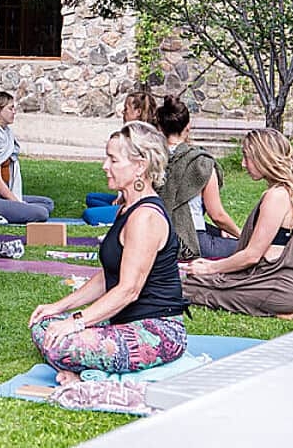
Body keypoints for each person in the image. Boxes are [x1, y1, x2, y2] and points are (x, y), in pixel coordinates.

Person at [29, 121, 187, 384]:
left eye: (113, 160)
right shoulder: (125, 208)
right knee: (43, 325)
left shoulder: (146, 217)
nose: (105, 166)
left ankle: (93, 374)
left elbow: (129, 289)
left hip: (157, 331)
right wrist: (58, 308)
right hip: (121, 322)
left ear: (140, 166)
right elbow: (107, 277)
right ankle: (94, 369)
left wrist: (76, 322)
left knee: (59, 342)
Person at [183, 128, 293, 320]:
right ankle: (277, 307)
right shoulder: (290, 192)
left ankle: (276, 309)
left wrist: (210, 268)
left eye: (247, 157)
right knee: (199, 280)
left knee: (187, 288)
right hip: (283, 288)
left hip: (273, 289)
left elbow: (251, 256)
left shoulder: (276, 196)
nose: (243, 164)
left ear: (264, 158)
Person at [156, 95, 240, 260]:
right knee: (249, 249)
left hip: (156, 234)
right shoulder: (201, 163)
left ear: (160, 128)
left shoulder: (151, 159)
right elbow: (217, 215)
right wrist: (242, 236)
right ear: (188, 127)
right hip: (191, 239)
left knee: (221, 233)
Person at [0, 91, 54, 223]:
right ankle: (8, 209)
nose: (14, 112)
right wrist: (18, 203)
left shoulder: (4, 132)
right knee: (41, 213)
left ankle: (16, 208)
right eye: (11, 108)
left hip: (3, 193)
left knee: (48, 203)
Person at [83, 91, 159, 224]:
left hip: (136, 199)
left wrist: (124, 199)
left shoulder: (143, 142)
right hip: (129, 197)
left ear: (138, 112)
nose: (123, 114)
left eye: (126, 110)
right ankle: (115, 209)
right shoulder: (128, 136)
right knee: (92, 198)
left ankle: (117, 211)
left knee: (89, 214)